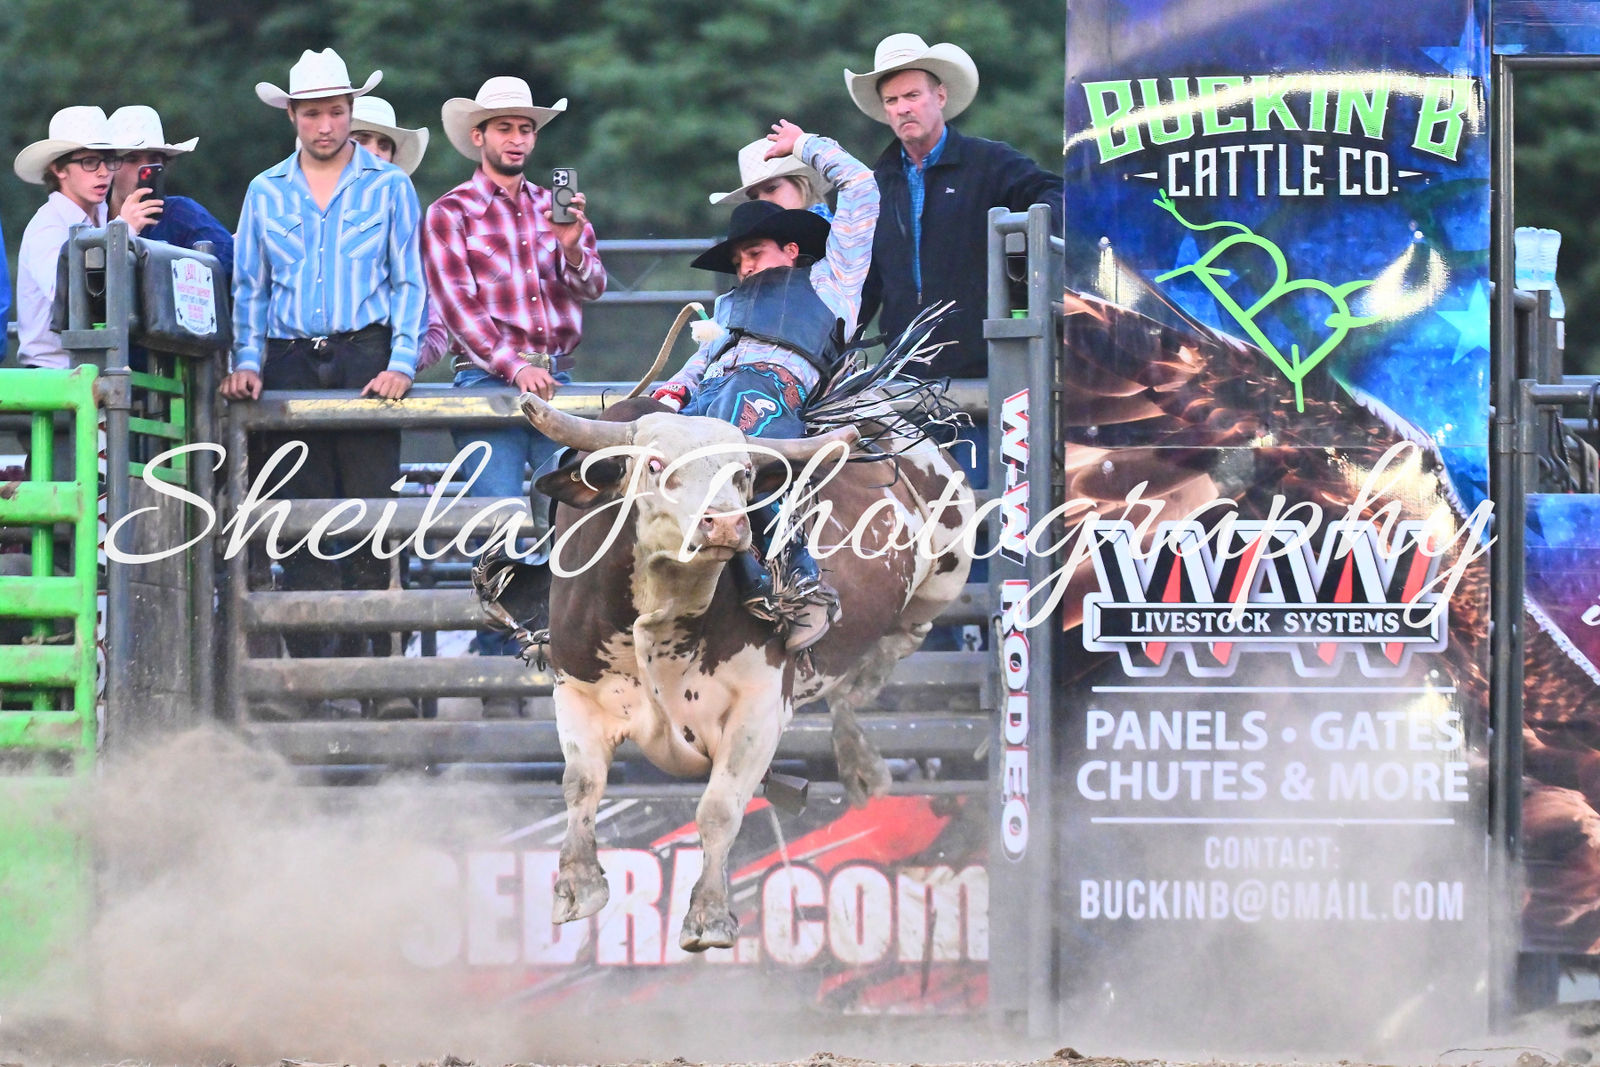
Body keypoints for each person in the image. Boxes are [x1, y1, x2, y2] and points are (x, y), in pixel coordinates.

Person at [219, 48, 427, 721]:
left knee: (371, 522)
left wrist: (402, 359)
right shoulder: (265, 189)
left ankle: (379, 680)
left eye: (337, 111)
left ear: (349, 113)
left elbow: (409, 279)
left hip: (367, 351)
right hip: (286, 356)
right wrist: (246, 359)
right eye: (314, 112)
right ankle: (312, 682)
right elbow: (249, 284)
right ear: (295, 117)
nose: (327, 123)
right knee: (298, 525)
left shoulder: (390, 186)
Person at [652, 120, 878, 654]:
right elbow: (704, 359)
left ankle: (797, 580)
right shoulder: (730, 308)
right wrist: (671, 393)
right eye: (738, 261)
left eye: (754, 254)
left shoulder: (832, 279)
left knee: (739, 416)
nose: (745, 268)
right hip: (714, 399)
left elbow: (863, 188)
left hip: (772, 396)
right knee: (636, 427)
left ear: (792, 249)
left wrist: (804, 146)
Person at [423, 76, 605, 716]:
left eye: (526, 128)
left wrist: (573, 246)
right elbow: (457, 308)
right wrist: (510, 365)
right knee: (497, 524)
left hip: (557, 372)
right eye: (505, 127)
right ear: (480, 137)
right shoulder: (449, 213)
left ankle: (575, 660)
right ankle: (502, 669)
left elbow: (592, 288)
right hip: (486, 379)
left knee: (577, 522)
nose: (518, 138)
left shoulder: (555, 211)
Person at [846, 32, 1064, 382]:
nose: (903, 108)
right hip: (902, 379)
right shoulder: (872, 187)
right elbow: (863, 288)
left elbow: (1056, 194)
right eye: (892, 100)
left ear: (941, 96)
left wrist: (1024, 243)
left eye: (913, 95)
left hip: (990, 372)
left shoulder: (990, 162)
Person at [348, 94, 449, 373]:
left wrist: (392, 363)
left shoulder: (410, 230)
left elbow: (436, 333)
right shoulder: (296, 212)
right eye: (362, 139)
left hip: (383, 383)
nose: (376, 151)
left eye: (384, 145)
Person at [13, 106, 116, 371]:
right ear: (59, 169)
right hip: (51, 378)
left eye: (109, 160)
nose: (103, 172)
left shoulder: (105, 215)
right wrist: (124, 236)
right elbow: (72, 303)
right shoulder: (47, 227)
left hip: (95, 372)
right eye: (90, 162)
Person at [108, 106, 234, 277]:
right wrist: (124, 230)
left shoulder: (181, 213)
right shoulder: (93, 215)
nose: (145, 168)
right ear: (110, 165)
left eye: (154, 159)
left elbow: (232, 262)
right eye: (132, 159)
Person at [709, 137, 834, 220]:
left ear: (801, 183)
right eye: (754, 197)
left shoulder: (832, 235)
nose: (763, 200)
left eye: (771, 188)